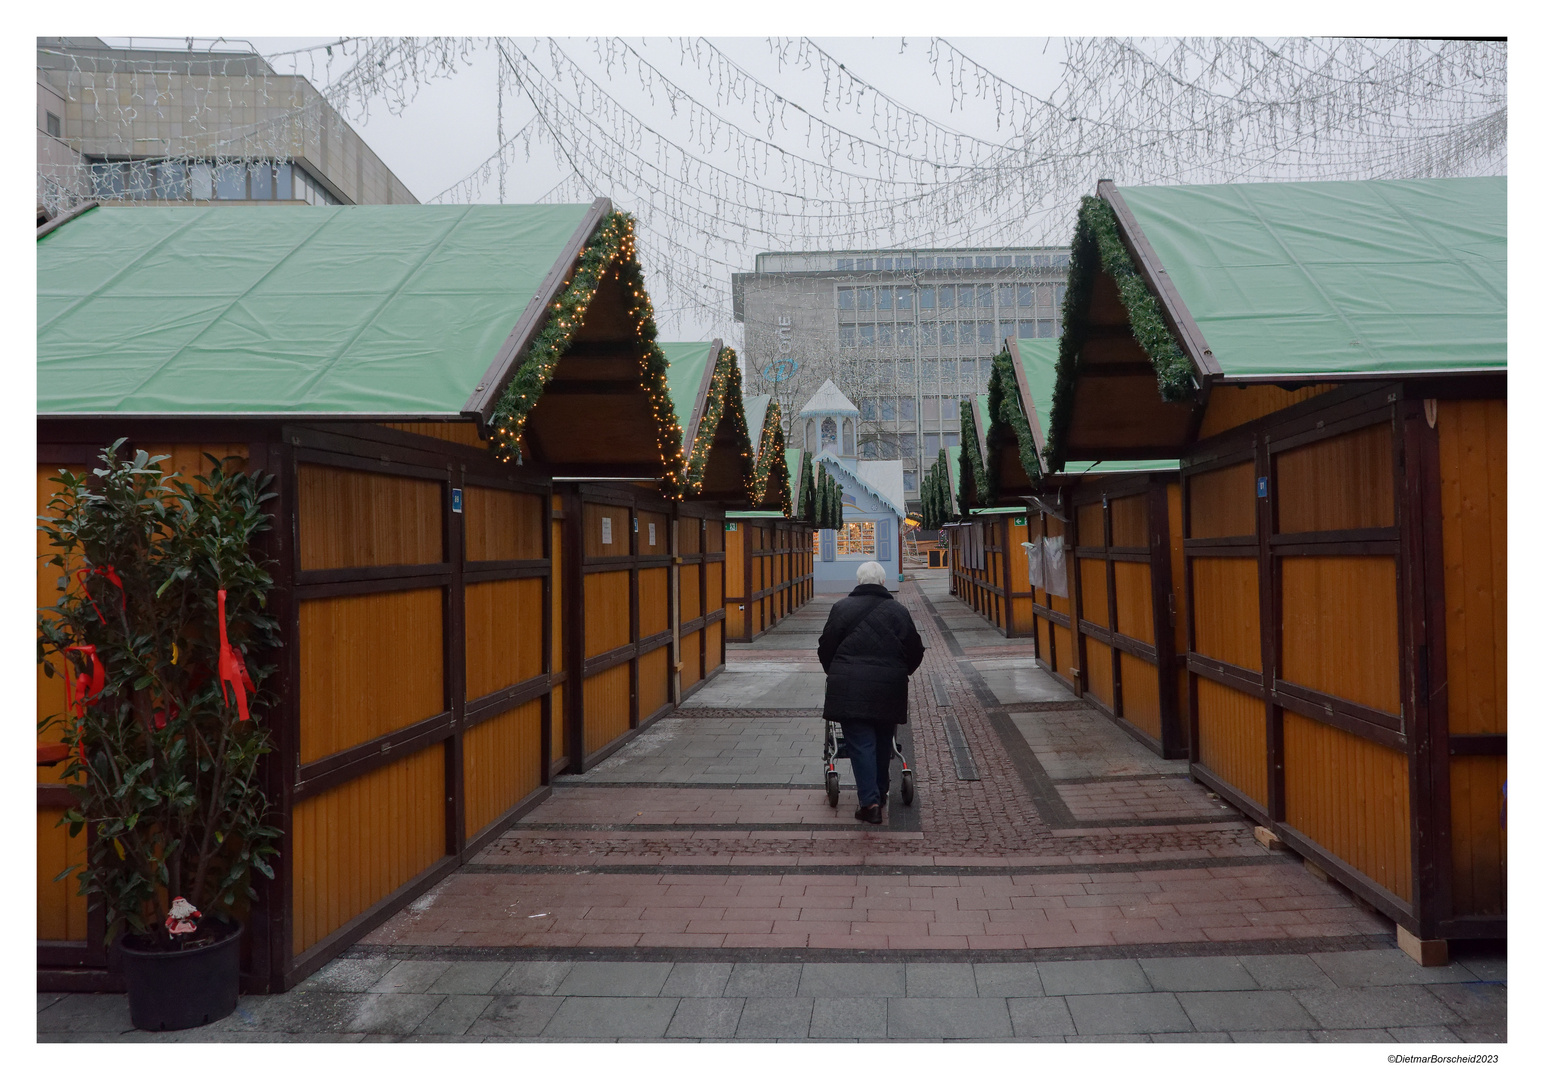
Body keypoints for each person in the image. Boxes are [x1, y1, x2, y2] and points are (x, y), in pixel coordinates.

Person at [817, 561, 925, 824]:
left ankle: (870, 803)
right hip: (889, 688)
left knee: (861, 743)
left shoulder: (841, 608)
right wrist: (899, 673)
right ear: (882, 582)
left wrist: (837, 673)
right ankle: (880, 792)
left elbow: (825, 648)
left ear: (858, 581)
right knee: (881, 741)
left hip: (849, 687)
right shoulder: (898, 611)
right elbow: (916, 651)